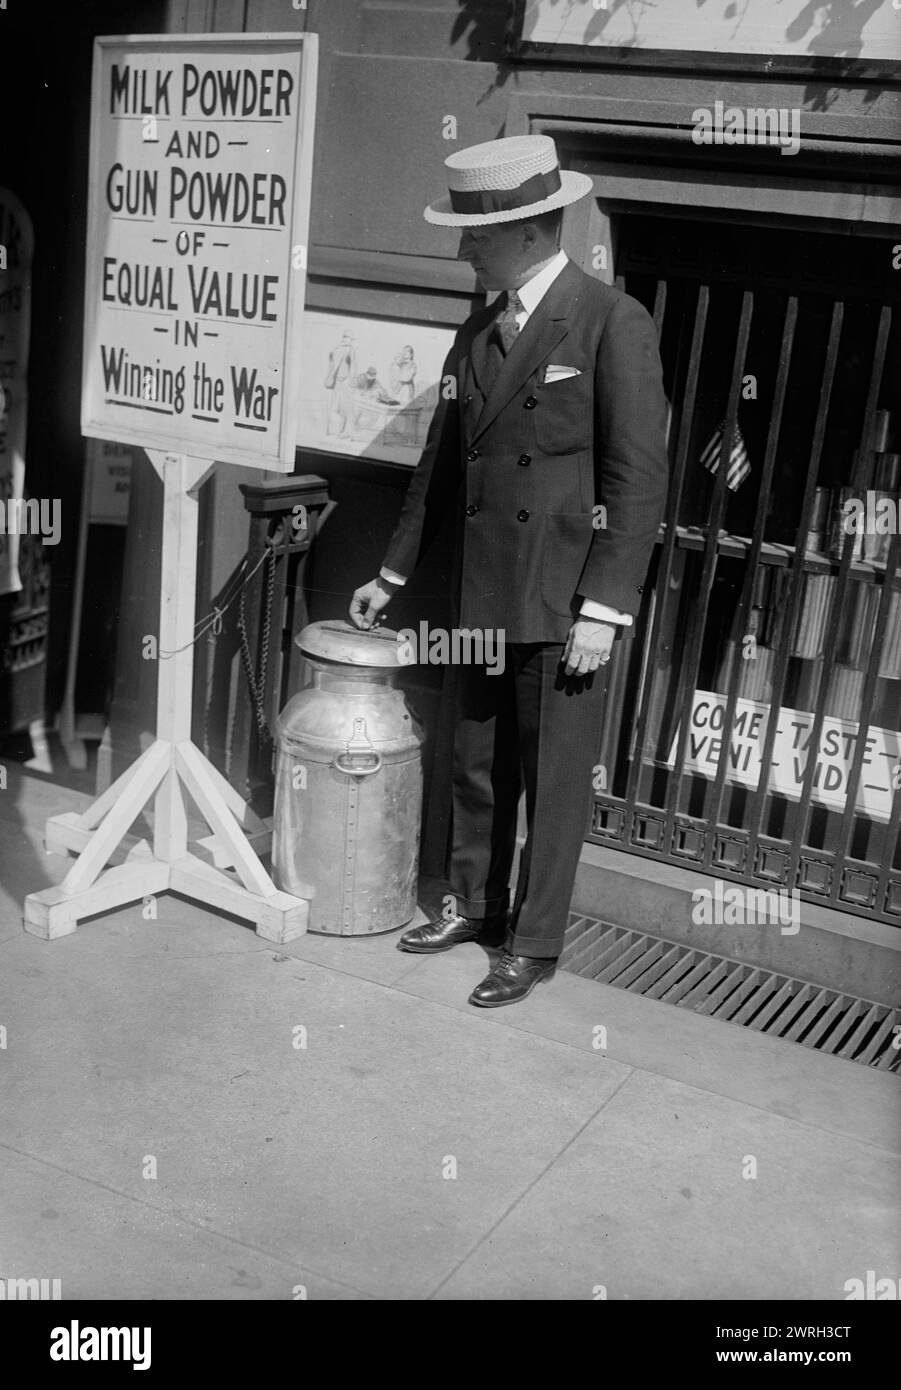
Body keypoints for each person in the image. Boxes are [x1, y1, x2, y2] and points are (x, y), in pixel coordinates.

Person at [350, 135, 669, 1007]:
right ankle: (470, 903)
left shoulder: (611, 320)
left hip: (565, 603)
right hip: (482, 591)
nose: (460, 250)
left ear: (526, 230)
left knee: (554, 782)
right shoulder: (478, 328)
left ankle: (531, 943)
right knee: (475, 761)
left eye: (472, 235)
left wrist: (605, 608)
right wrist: (393, 570)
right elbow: (439, 466)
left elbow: (637, 480)